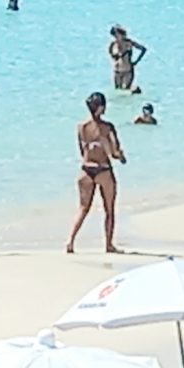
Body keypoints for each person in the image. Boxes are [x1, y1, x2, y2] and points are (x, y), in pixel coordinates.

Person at [66, 92, 127, 254]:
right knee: (109, 210)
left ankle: (70, 241)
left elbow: (82, 151)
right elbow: (114, 152)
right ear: (101, 108)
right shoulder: (108, 127)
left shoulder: (81, 127)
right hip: (103, 170)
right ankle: (108, 244)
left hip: (86, 169)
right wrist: (121, 156)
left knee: (83, 208)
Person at [108, 26, 146, 93]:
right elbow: (111, 55)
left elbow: (143, 49)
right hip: (117, 71)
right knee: (117, 91)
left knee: (126, 91)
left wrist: (136, 61)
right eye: (114, 35)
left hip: (127, 70)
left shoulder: (129, 43)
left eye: (117, 35)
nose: (116, 37)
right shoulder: (113, 45)